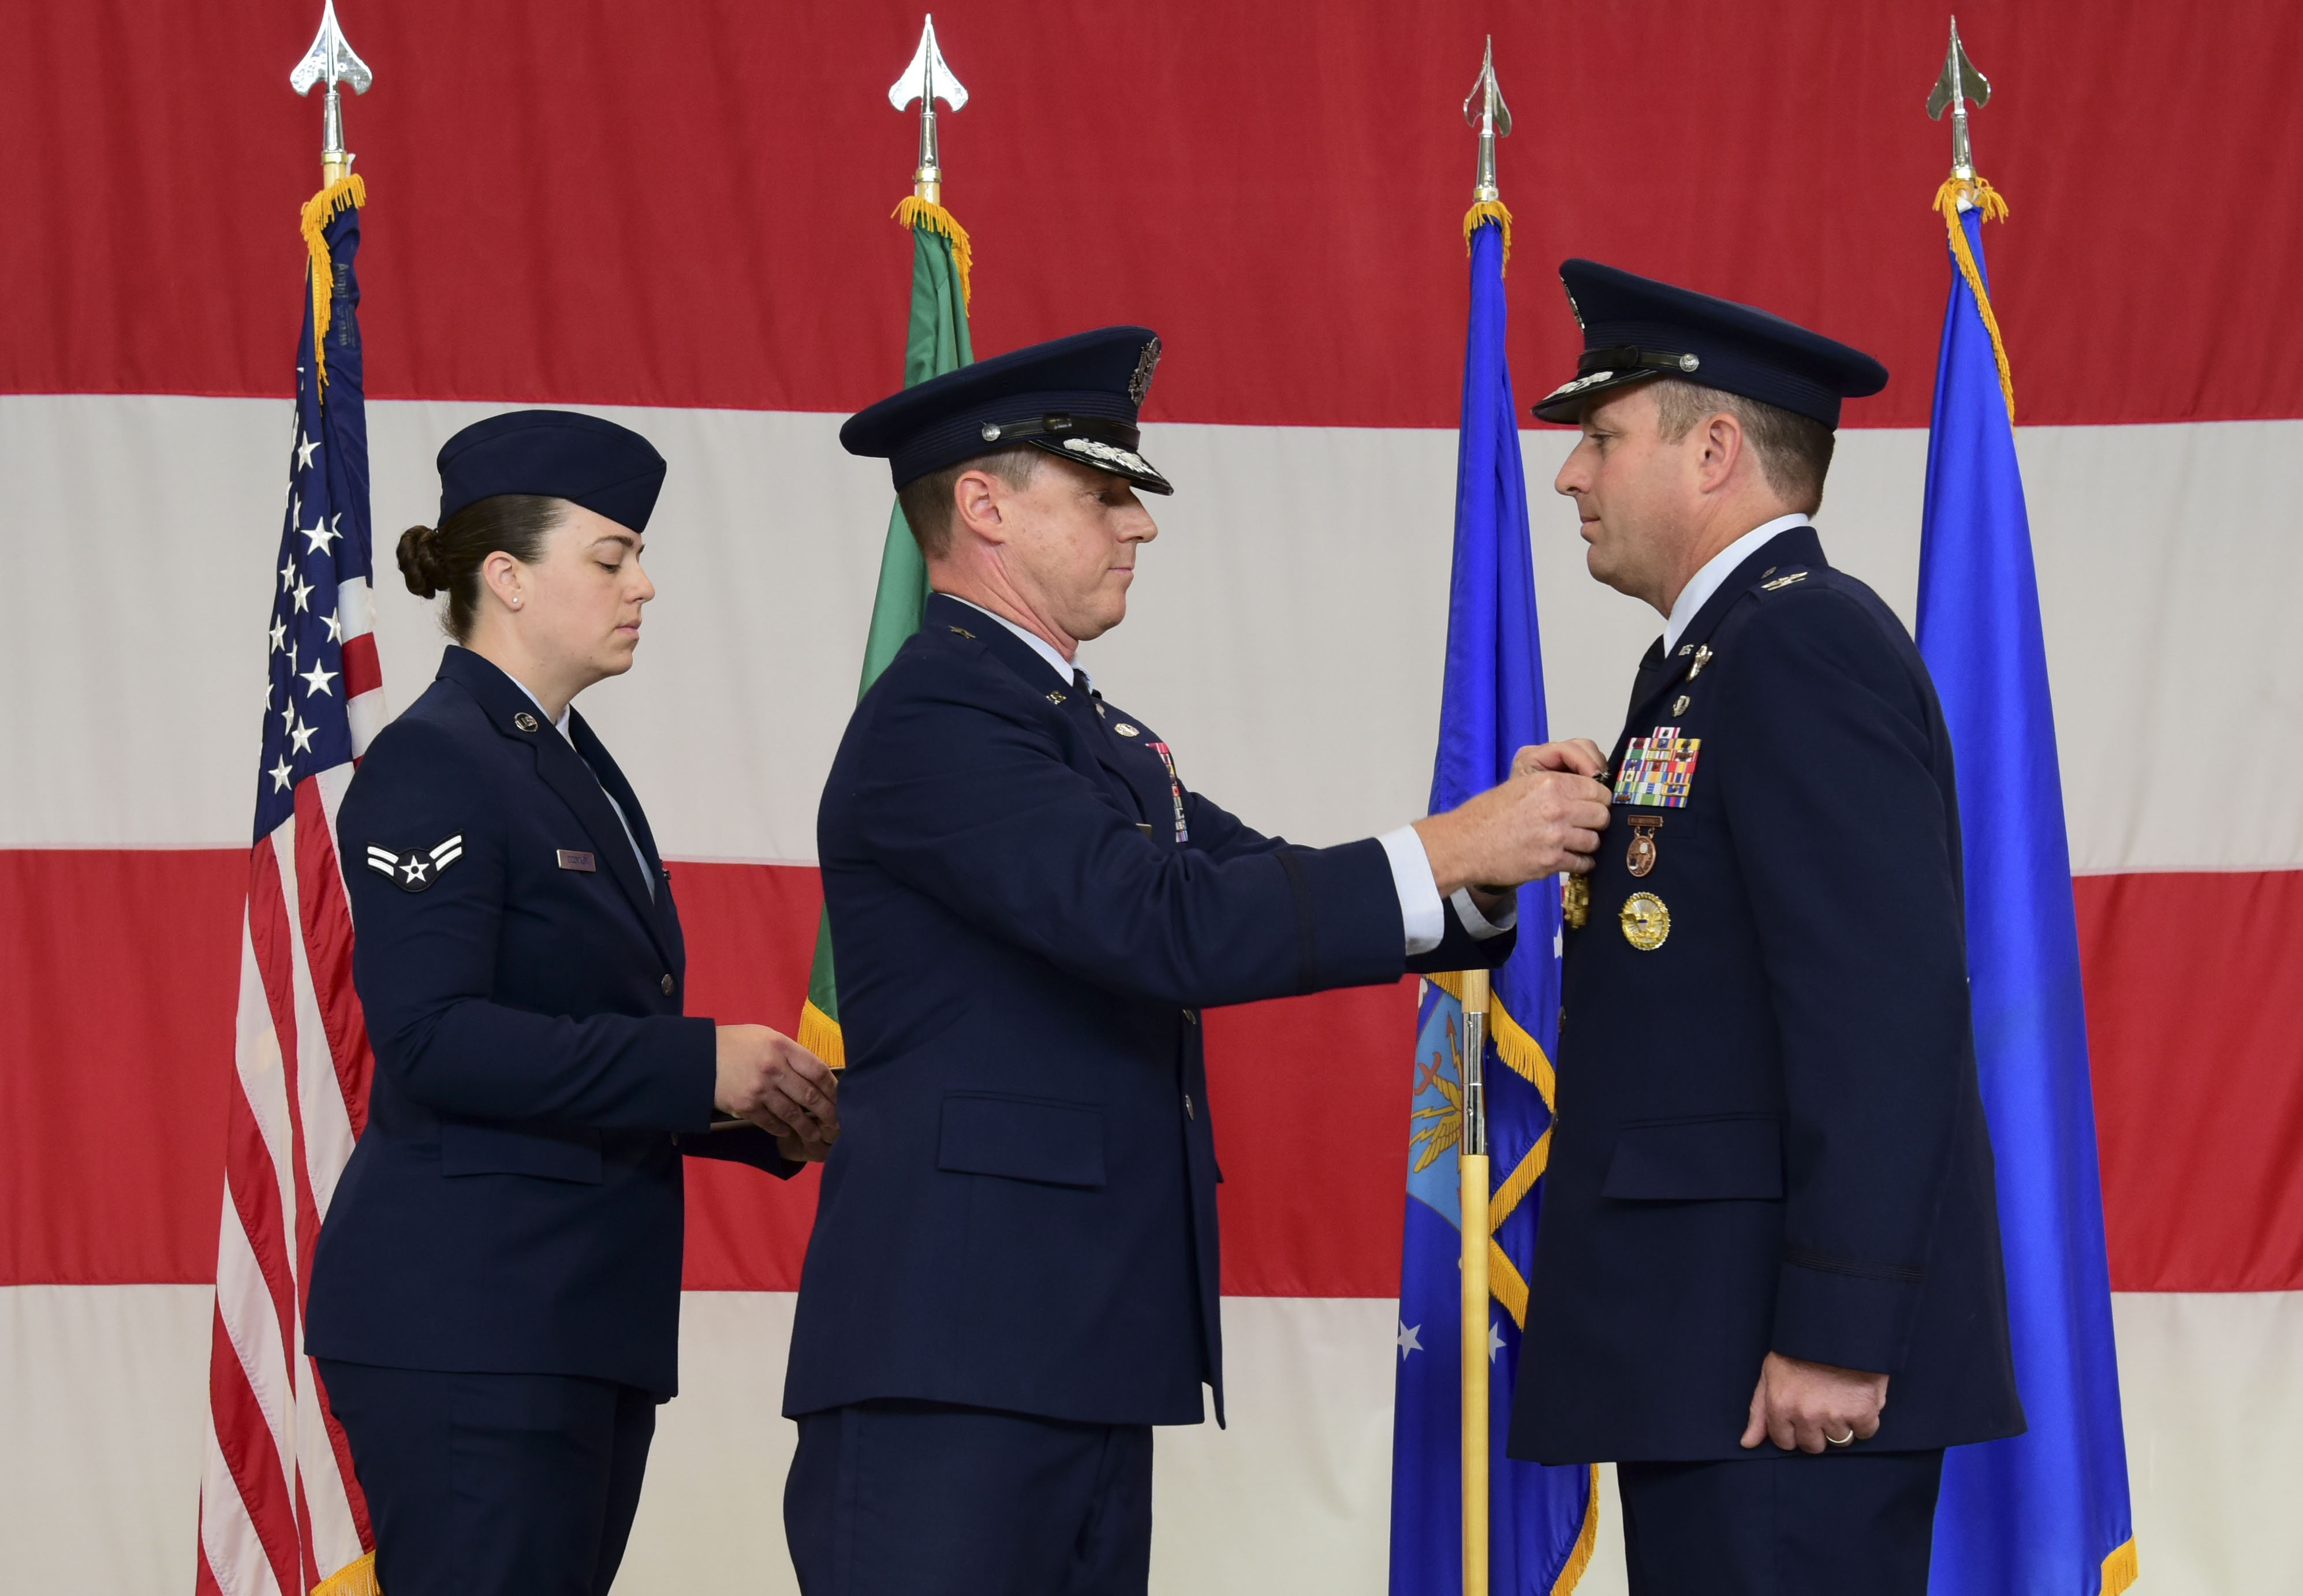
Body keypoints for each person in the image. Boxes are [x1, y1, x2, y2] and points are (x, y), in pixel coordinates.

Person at [779, 327, 1611, 1594]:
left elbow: (1245, 881)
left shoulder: (1089, 731)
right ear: (984, 505)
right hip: (951, 1366)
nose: (1140, 527)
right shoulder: (940, 717)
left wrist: (1487, 866)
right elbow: (1163, 923)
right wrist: (1446, 844)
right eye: (1104, 493)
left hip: (1076, 1349)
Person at [1504, 261, 2025, 1594]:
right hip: (1709, 1348)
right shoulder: (1705, 656)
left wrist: (1839, 1327)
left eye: (1602, 436)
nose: (1571, 476)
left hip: (1777, 1368)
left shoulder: (1799, 646)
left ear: (1715, 449)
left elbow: (1881, 1011)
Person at [305, 409, 841, 1596]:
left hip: (569, 1323)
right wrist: (699, 1065)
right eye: (610, 557)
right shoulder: (439, 759)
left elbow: (589, 1038)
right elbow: (433, 1041)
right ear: (505, 576)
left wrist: (760, 1110)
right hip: (472, 1324)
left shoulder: (571, 764)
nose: (643, 584)